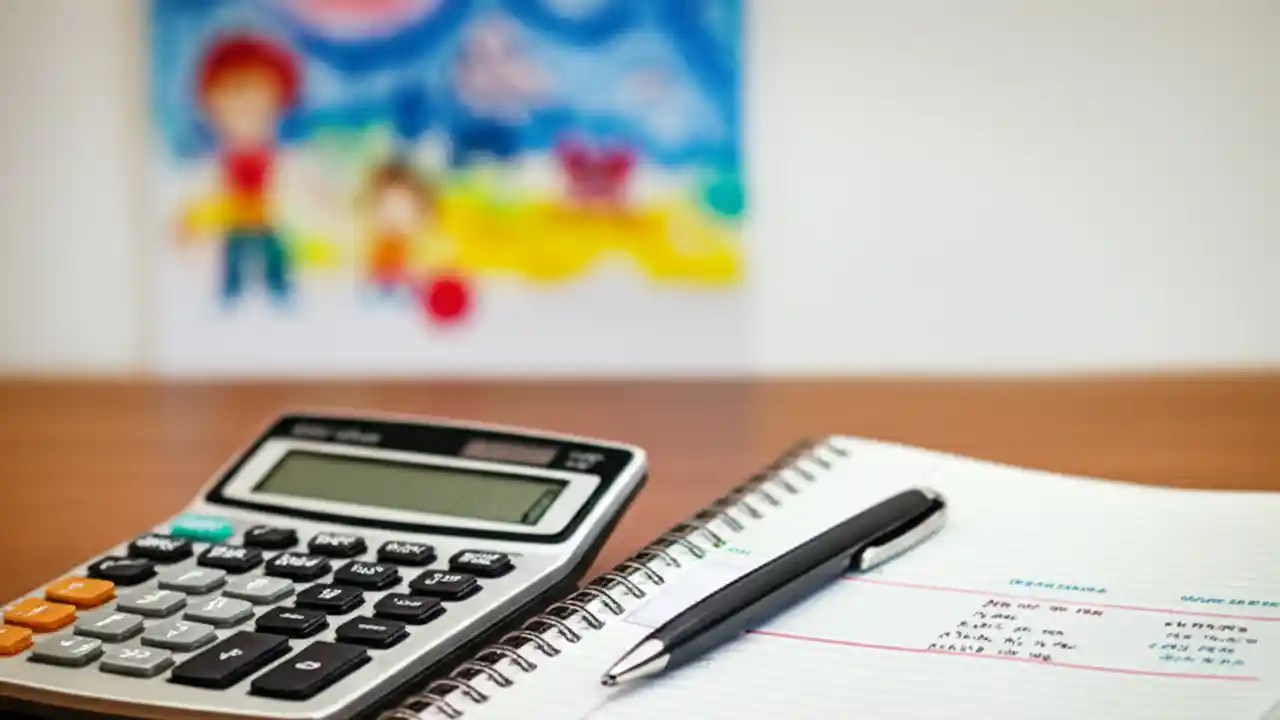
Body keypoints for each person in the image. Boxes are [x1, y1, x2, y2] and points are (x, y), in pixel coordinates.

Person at [195, 34, 301, 303]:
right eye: (232, 96)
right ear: (211, 105)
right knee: (233, 258)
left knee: (276, 256)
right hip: (234, 223)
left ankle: (280, 288)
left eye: (256, 102)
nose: (245, 109)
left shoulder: (287, 162)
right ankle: (231, 289)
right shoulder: (207, 168)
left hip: (270, 222)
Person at [360, 161, 436, 297]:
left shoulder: (428, 251)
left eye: (402, 212)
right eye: (386, 212)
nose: (394, 224)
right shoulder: (368, 249)